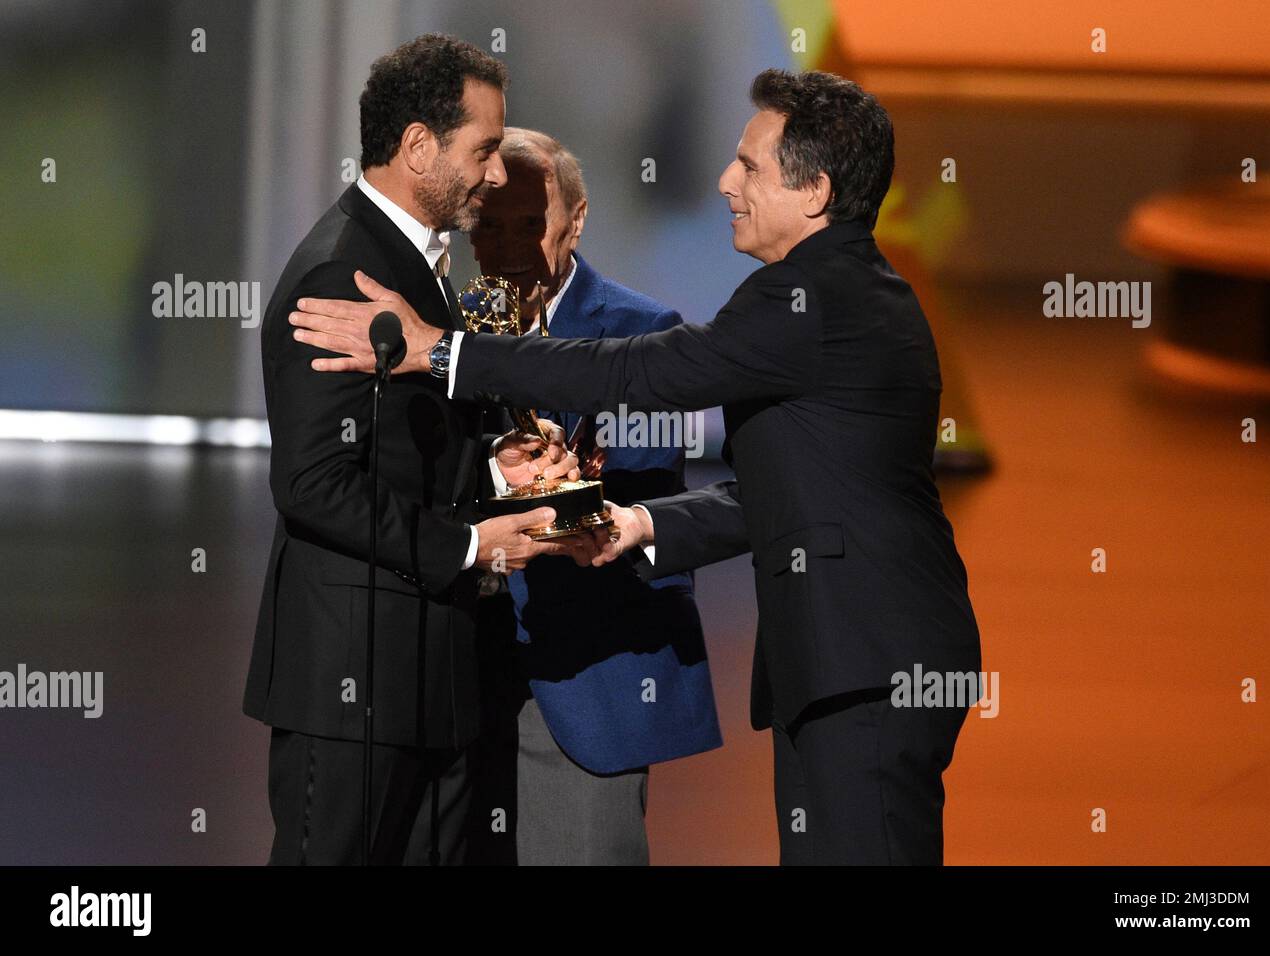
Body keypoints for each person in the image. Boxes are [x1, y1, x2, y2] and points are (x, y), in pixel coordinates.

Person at [290, 69, 981, 865]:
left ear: (815, 190)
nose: (727, 182)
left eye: (749, 167)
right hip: (859, 659)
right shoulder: (845, 289)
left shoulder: (810, 299)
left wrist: (438, 351)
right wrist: (640, 523)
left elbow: (642, 374)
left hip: (868, 664)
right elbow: (794, 496)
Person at [243, 34, 582, 866]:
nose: (498, 173)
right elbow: (316, 484)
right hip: (355, 683)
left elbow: (400, 450)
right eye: (486, 149)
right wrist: (472, 543)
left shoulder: (414, 262)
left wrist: (497, 471)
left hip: (428, 677)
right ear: (418, 146)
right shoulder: (342, 274)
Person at [463, 128, 723, 865]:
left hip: (583, 675)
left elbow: (641, 502)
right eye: (487, 224)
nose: (506, 247)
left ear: (575, 221)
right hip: (458, 681)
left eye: (528, 225)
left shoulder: (642, 334)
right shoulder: (452, 331)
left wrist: (545, 494)